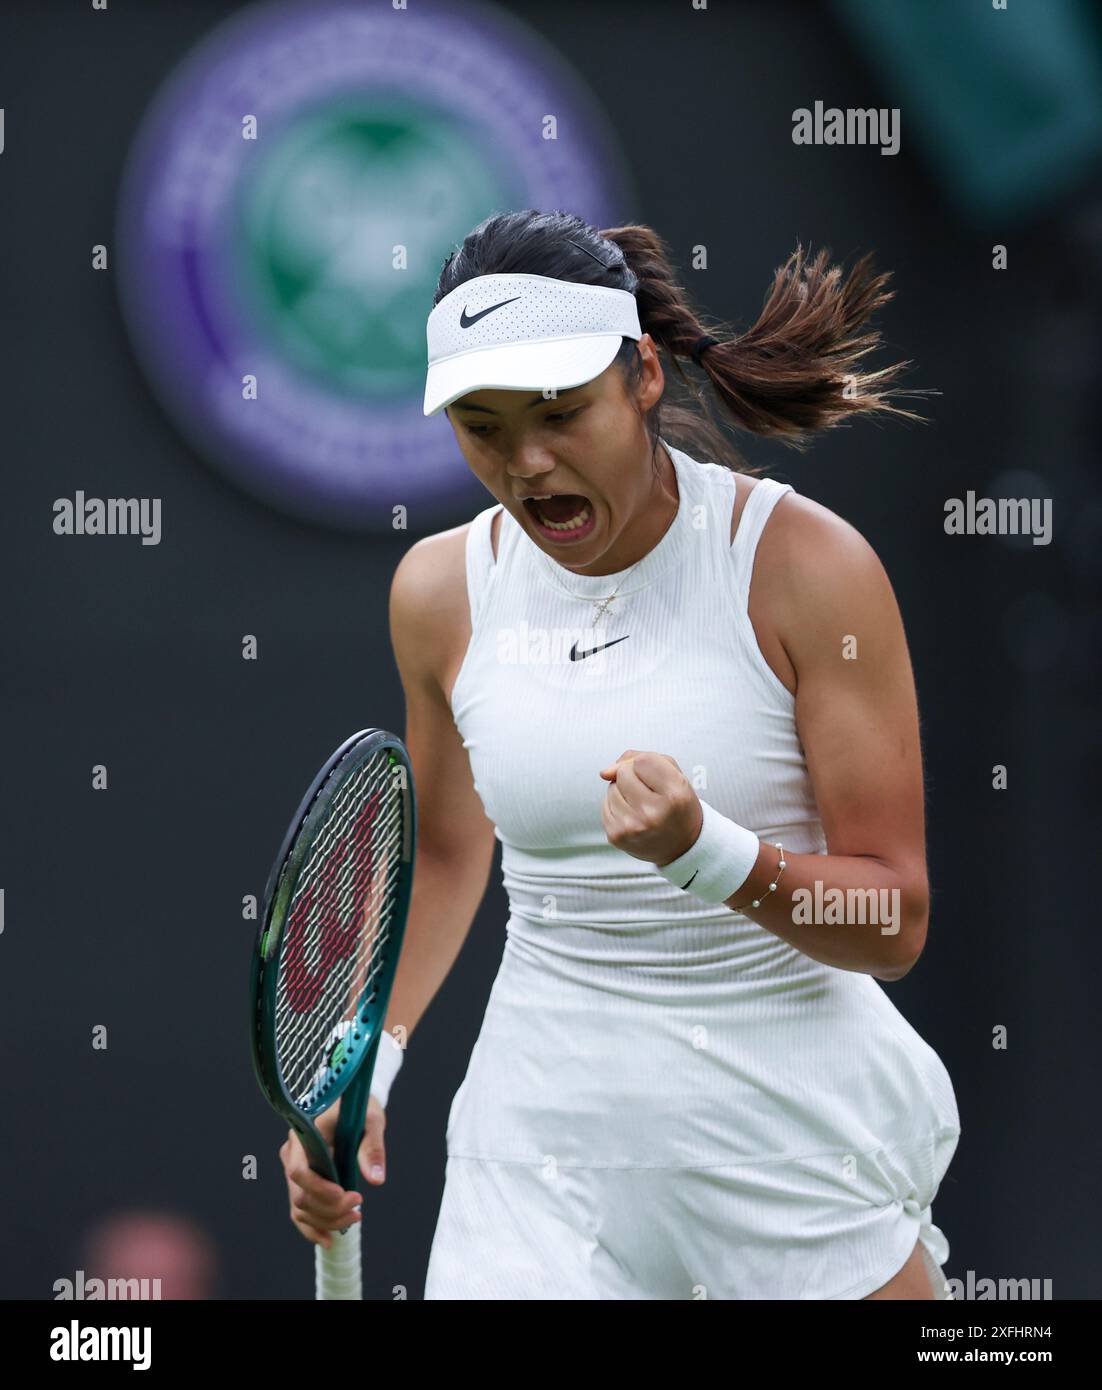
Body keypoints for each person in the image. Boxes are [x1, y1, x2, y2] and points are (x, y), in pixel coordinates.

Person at [281, 208, 961, 1300]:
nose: (527, 460)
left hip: (788, 1135)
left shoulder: (806, 567)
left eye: (560, 413)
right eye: (482, 425)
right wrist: (373, 1058)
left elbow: (894, 921)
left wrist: (706, 852)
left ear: (642, 375)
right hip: (540, 1144)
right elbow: (451, 854)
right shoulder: (437, 593)